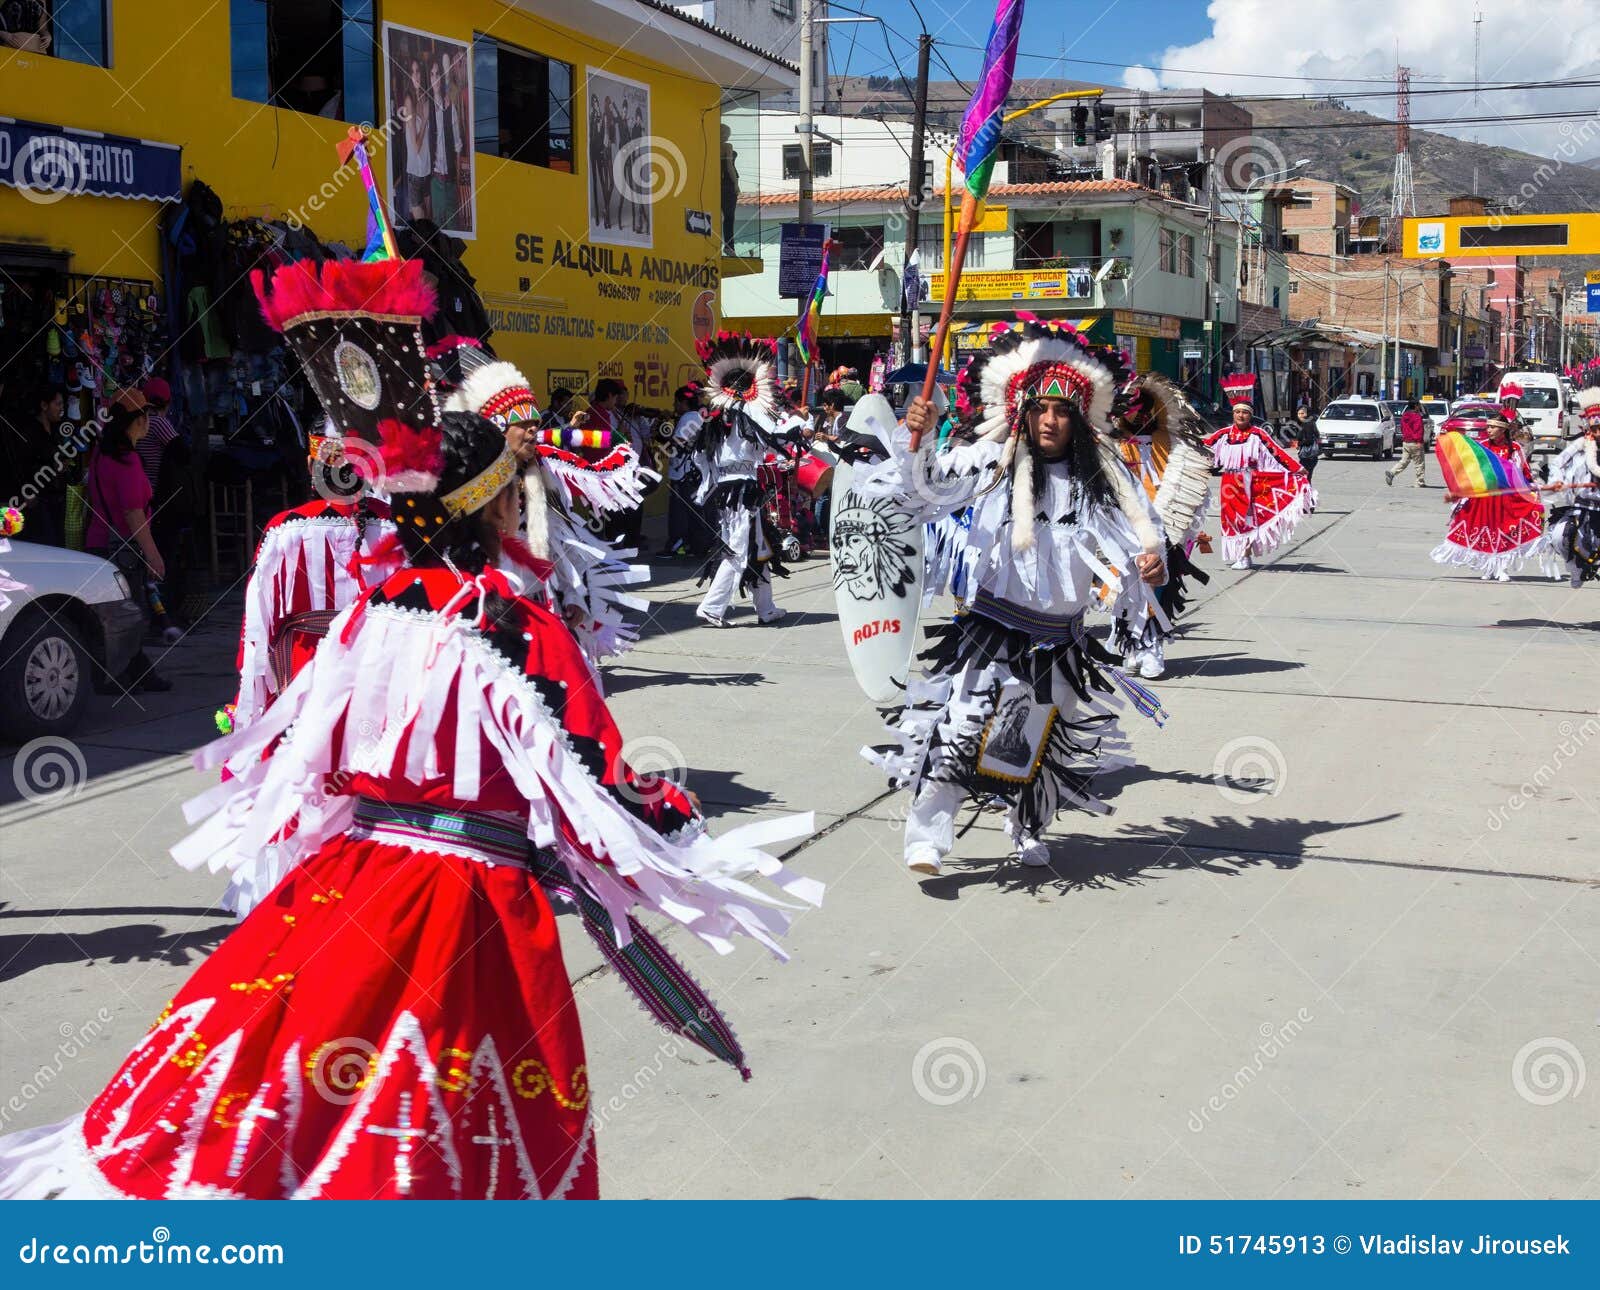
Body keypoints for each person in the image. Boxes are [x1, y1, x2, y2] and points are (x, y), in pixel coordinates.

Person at [0, 400, 819, 1200]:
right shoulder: (513, 626)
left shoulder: (371, 613)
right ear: (495, 501)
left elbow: (307, 760)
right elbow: (596, 784)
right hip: (465, 907)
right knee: (441, 1122)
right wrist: (680, 823)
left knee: (296, 1097)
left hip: (346, 885)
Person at [857, 319, 1169, 875]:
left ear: (1077, 418)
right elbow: (921, 491)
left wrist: (1153, 560)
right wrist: (923, 437)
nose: (1051, 420)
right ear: (1023, 411)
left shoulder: (1104, 475)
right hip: (992, 623)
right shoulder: (990, 462)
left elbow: (1145, 527)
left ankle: (1025, 825)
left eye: (1063, 411)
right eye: (1041, 409)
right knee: (960, 725)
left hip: (1062, 637)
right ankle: (926, 838)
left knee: (1030, 737)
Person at [447, 354, 652, 681]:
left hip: (540, 600)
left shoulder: (543, 470)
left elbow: (562, 540)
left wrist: (573, 595)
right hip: (487, 602)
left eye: (535, 426)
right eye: (523, 426)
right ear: (498, 429)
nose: (532, 433)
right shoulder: (467, 479)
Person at [1106, 372, 1215, 679]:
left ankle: (1152, 647)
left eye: (1144, 412)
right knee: (1121, 586)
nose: (1139, 418)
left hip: (1163, 527)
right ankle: (1129, 645)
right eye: (1132, 413)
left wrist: (1186, 526)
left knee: (1158, 587)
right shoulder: (1112, 448)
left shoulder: (1176, 447)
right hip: (1123, 528)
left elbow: (1194, 487)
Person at [693, 333, 794, 627]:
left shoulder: (714, 417)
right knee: (738, 547)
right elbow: (773, 438)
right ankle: (712, 606)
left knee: (757, 544)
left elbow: (701, 455)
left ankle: (766, 608)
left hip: (728, 487)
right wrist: (796, 433)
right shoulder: (747, 412)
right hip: (742, 488)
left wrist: (706, 484)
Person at [84, 389, 172, 690]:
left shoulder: (100, 454)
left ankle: (132, 672)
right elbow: (134, 514)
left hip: (98, 542)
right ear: (135, 421)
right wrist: (153, 555)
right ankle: (122, 675)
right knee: (130, 614)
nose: (149, 421)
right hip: (123, 548)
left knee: (113, 615)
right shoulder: (126, 461)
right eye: (145, 415)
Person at [1206, 378, 1315, 570]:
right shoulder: (1223, 434)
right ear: (1233, 414)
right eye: (1238, 412)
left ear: (1250, 416)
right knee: (1231, 519)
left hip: (1251, 482)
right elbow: (1203, 449)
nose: (1241, 416)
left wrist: (1297, 469)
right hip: (1230, 483)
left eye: (1245, 413)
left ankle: (1245, 556)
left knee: (1248, 519)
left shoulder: (1258, 434)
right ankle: (1241, 554)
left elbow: (1277, 453)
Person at [1431, 413, 1543, 583]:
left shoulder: (1515, 448)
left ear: (1503, 429)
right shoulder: (1481, 447)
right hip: (1484, 498)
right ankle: (1488, 567)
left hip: (1507, 498)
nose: (1488, 430)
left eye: (1492, 427)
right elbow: (1468, 469)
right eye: (1488, 427)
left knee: (1504, 531)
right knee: (1486, 531)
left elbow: (1524, 472)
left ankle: (1502, 568)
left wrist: (1532, 489)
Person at [1546, 386, 1600, 587]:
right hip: (1581, 507)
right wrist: (1558, 481)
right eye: (1595, 429)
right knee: (1561, 536)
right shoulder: (1579, 446)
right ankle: (1574, 568)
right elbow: (1556, 464)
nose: (1598, 433)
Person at [667, 383, 707, 558]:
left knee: (680, 512)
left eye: (676, 402)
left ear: (683, 402)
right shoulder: (699, 416)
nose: (674, 406)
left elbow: (678, 443)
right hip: (693, 471)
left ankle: (678, 545)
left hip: (683, 472)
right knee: (693, 510)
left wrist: (662, 438)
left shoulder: (688, 417)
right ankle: (695, 545)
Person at [1387, 399, 1427, 486]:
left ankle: (1392, 472)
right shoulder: (1417, 417)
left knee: (1404, 461)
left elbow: (1402, 428)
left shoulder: (1404, 416)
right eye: (1419, 405)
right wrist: (1419, 441)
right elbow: (1418, 430)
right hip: (1416, 442)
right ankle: (1419, 482)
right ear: (1416, 406)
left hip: (1406, 442)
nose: (1419, 406)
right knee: (1419, 463)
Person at [1293, 405, 1321, 488]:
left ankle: (1308, 497)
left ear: (1307, 414)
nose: (1300, 416)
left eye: (1303, 413)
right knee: (1307, 478)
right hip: (1311, 456)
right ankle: (1308, 496)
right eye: (1299, 414)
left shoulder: (1307, 424)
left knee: (1304, 479)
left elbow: (1309, 440)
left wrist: (1299, 444)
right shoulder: (1310, 423)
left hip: (1308, 456)